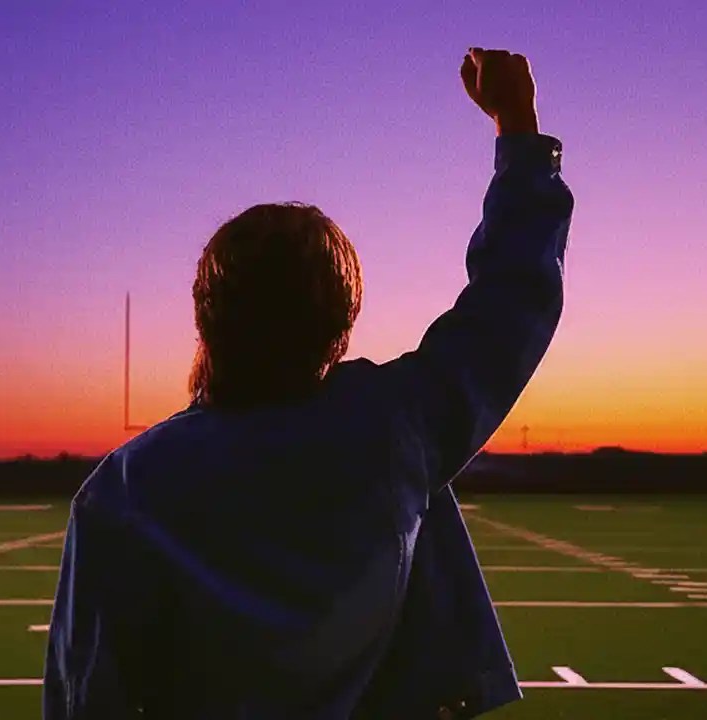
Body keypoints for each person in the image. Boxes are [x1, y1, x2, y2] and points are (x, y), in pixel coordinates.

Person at [44, 47, 574, 719]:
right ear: (341, 323)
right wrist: (517, 125)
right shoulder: (392, 429)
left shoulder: (125, 489)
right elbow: (511, 301)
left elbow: (88, 701)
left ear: (206, 316)